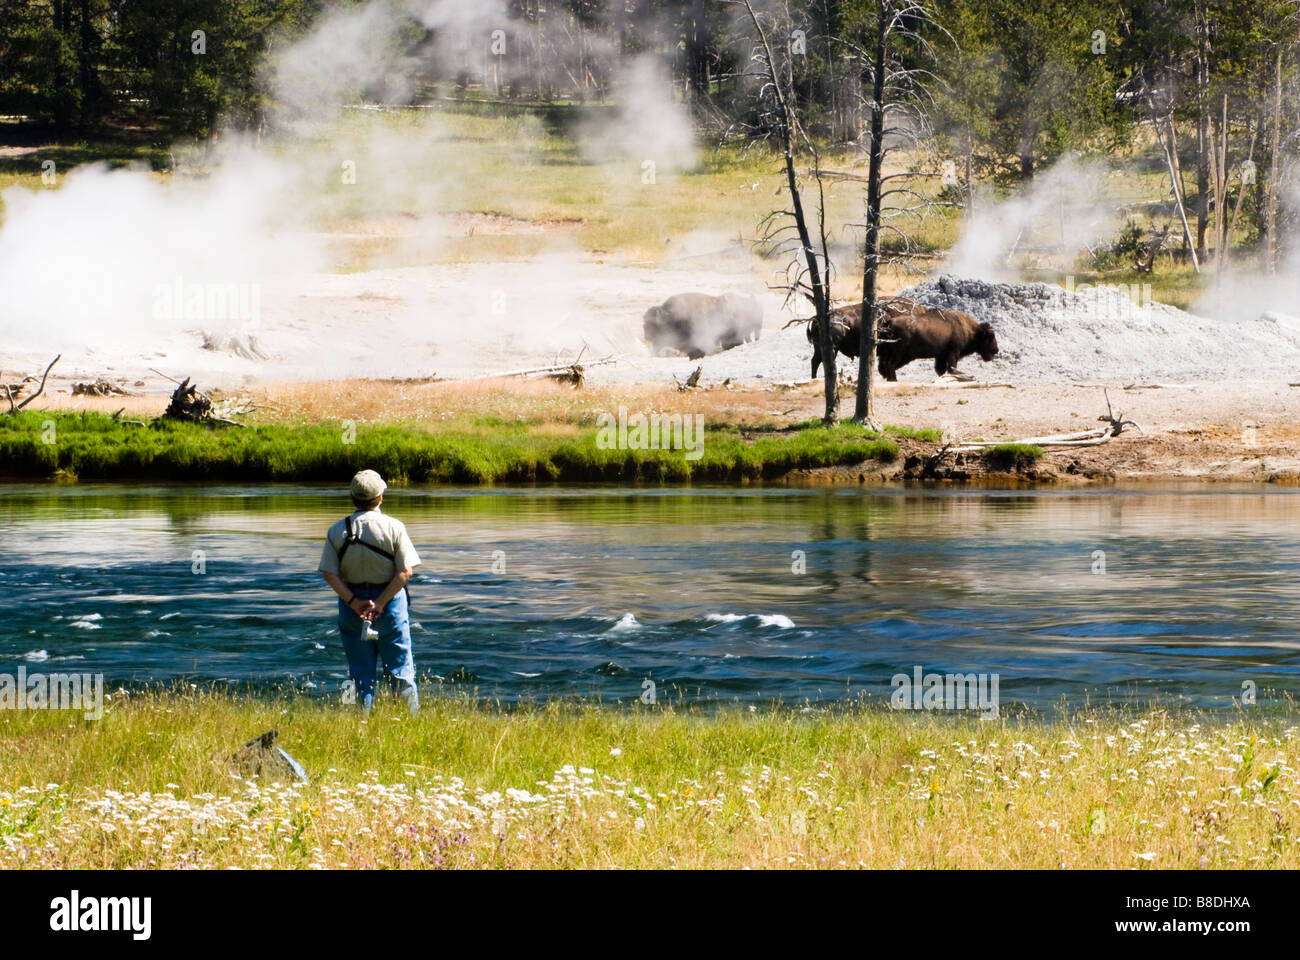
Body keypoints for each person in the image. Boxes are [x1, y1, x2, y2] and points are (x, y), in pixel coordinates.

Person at [318, 469, 421, 713]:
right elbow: (406, 572)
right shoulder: (394, 527)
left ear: (352, 497)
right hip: (390, 607)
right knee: (401, 673)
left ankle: (359, 726)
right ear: (380, 497)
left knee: (359, 674)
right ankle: (410, 725)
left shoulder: (336, 531)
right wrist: (381, 603)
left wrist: (354, 602)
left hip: (352, 608)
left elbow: (328, 574)